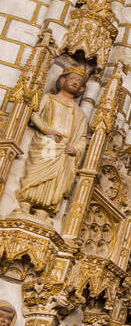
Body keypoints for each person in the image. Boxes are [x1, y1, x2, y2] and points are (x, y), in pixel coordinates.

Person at [18, 67, 89, 215]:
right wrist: (46, 130)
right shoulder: (49, 98)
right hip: (47, 142)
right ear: (63, 80)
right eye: (72, 79)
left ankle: (43, 210)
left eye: (79, 82)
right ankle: (25, 203)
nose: (75, 83)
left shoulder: (80, 113)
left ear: (81, 89)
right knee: (37, 173)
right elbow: (35, 115)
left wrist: (75, 149)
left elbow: (83, 137)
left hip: (64, 150)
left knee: (55, 180)